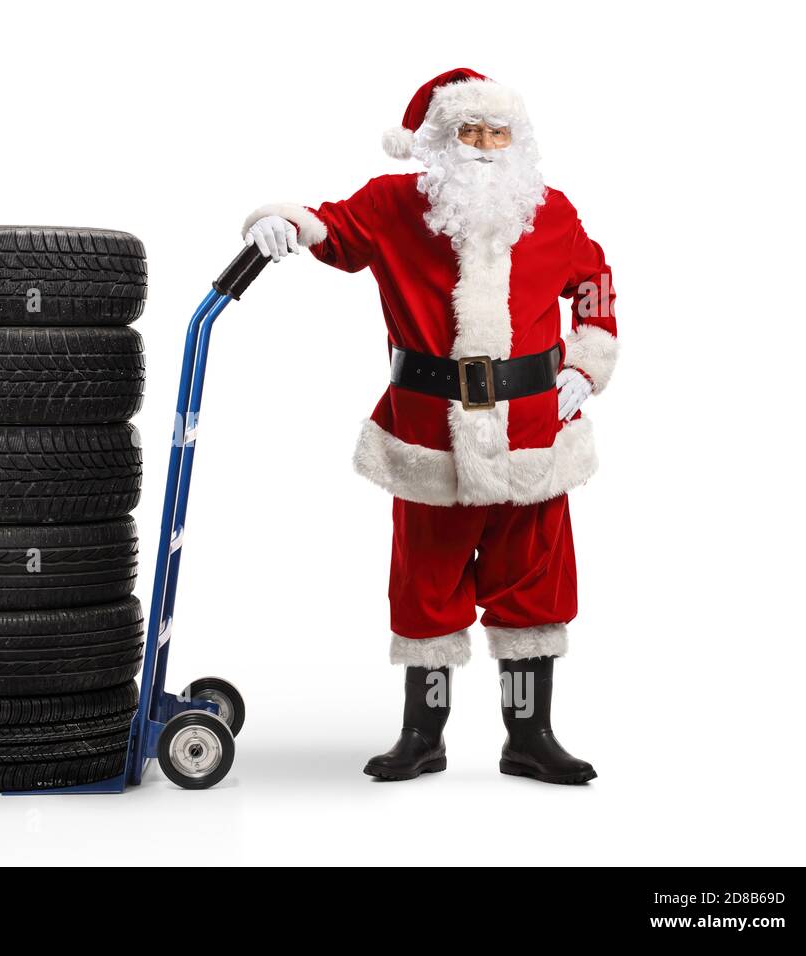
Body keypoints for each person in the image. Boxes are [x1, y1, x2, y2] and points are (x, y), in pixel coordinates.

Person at [243, 69, 617, 784]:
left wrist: (588, 362)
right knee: (427, 591)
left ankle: (529, 736)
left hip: (532, 436)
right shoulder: (392, 205)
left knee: (533, 590)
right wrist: (283, 219)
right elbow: (331, 229)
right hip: (429, 437)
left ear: (518, 143)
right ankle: (423, 735)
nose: (482, 146)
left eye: (496, 133)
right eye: (467, 132)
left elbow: (594, 278)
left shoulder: (551, 210)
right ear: (437, 141)